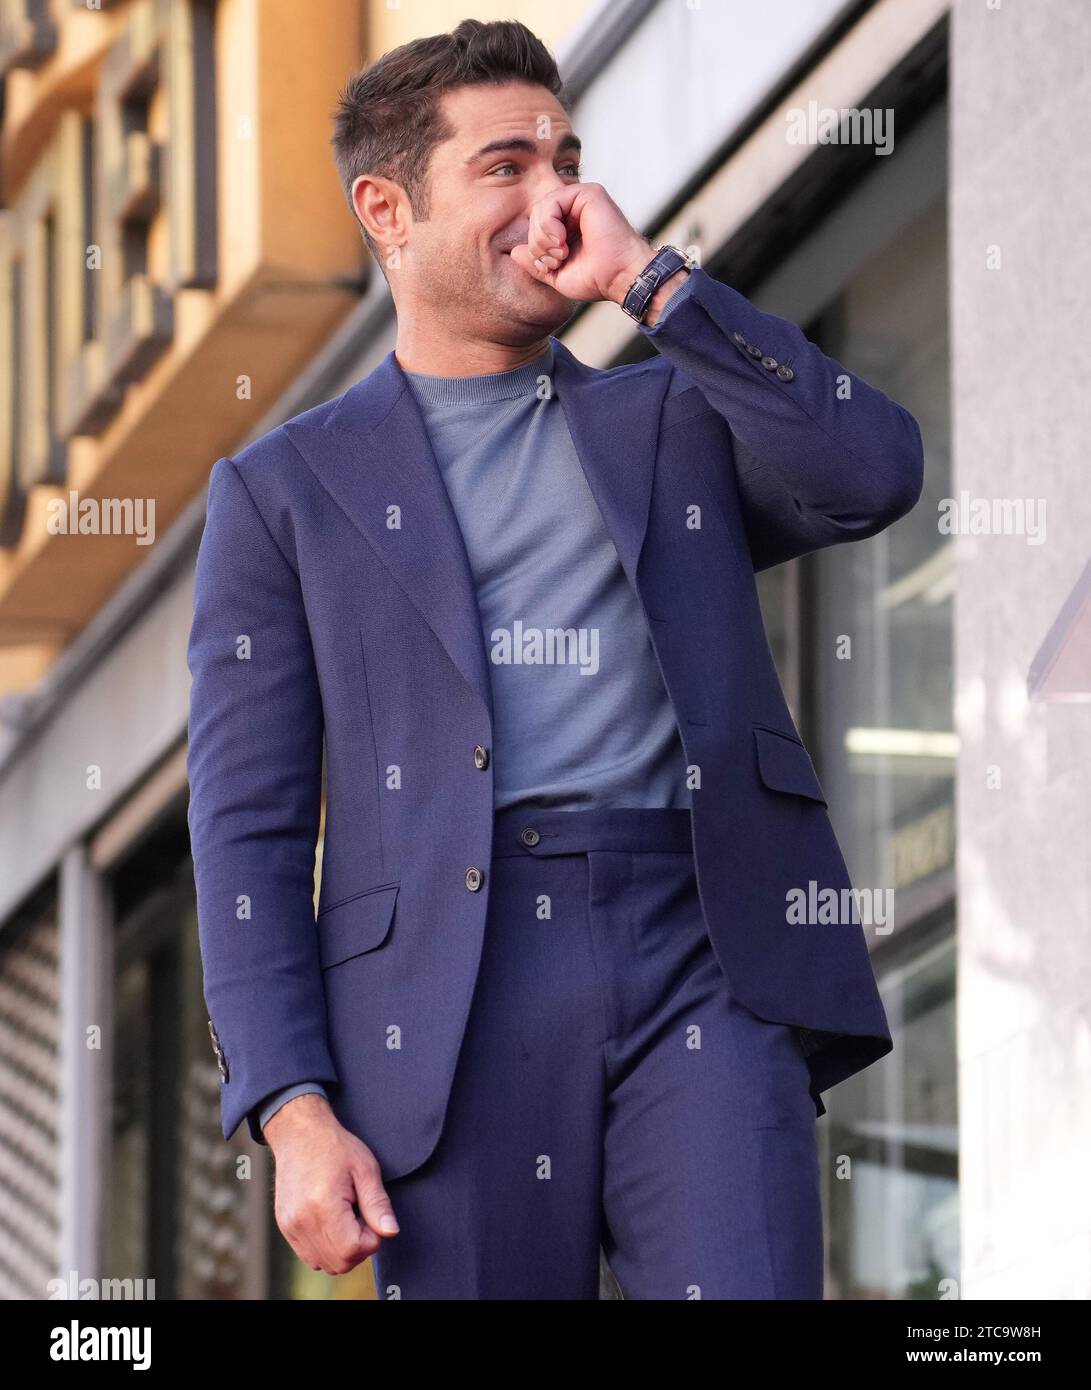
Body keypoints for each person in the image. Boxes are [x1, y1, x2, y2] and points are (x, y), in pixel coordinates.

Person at [186, 19, 924, 1300]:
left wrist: (657, 291)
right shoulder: (282, 491)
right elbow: (242, 825)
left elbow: (872, 474)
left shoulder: (668, 415)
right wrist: (292, 1107)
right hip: (446, 1000)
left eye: (565, 156)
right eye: (504, 166)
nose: (557, 195)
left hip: (702, 941)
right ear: (386, 208)